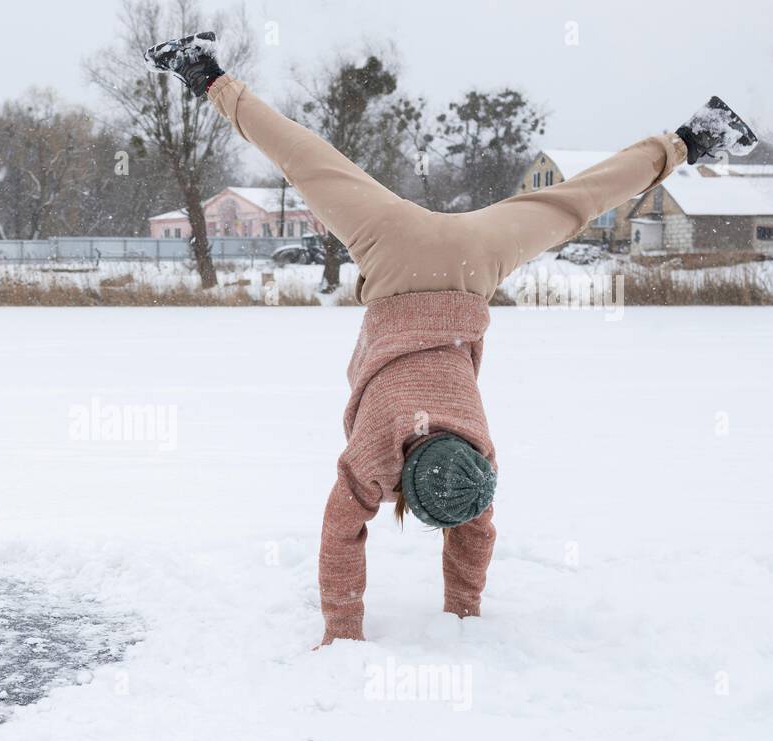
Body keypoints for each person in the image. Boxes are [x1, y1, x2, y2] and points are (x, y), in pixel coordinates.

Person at [144, 32, 759, 644]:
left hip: (467, 261)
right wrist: (352, 631)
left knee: (316, 160)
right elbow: (346, 536)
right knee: (576, 198)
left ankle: (694, 135)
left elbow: (466, 528)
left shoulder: (479, 457)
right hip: (410, 259)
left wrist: (429, 617)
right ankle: (693, 137)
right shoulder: (383, 460)